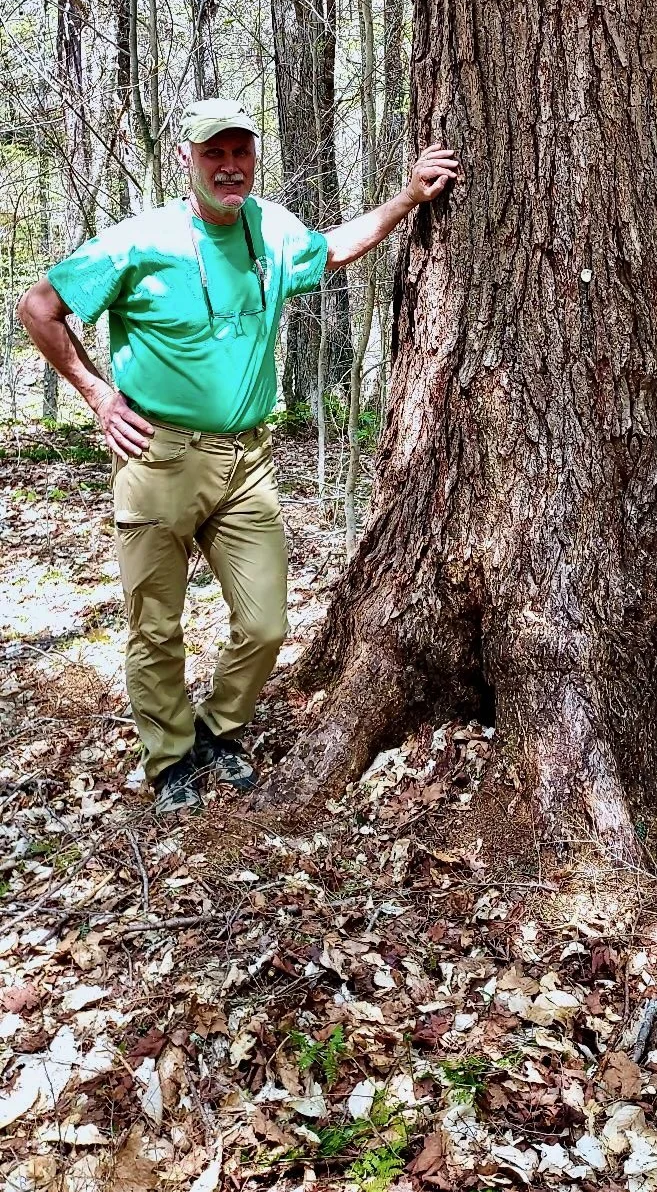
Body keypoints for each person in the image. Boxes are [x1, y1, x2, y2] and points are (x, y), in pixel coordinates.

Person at [18, 99, 459, 820]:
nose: (229, 167)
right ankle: (169, 758)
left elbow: (333, 249)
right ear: (187, 159)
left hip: (247, 461)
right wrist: (98, 395)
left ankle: (217, 730)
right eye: (213, 153)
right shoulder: (139, 241)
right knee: (156, 626)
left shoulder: (270, 229)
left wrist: (407, 198)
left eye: (240, 152)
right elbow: (40, 306)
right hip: (158, 456)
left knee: (264, 626)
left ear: (253, 156)